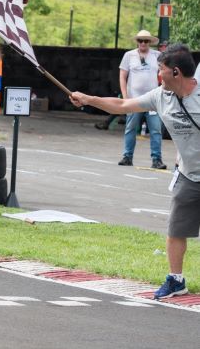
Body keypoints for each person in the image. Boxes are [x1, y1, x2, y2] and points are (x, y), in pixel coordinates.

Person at [71, 44, 200, 300]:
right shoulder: (160, 96)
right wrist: (89, 99)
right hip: (188, 174)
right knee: (175, 229)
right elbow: (122, 105)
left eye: (160, 70)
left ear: (176, 72)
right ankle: (176, 280)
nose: (157, 75)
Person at [119, 29, 165, 169]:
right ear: (137, 42)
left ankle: (156, 159)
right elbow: (122, 76)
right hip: (134, 99)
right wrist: (125, 96)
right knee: (130, 128)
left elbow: (164, 73)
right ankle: (127, 157)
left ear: (150, 42)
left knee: (156, 129)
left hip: (152, 100)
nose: (143, 43)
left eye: (146, 41)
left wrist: (163, 90)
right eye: (140, 41)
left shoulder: (157, 55)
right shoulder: (129, 55)